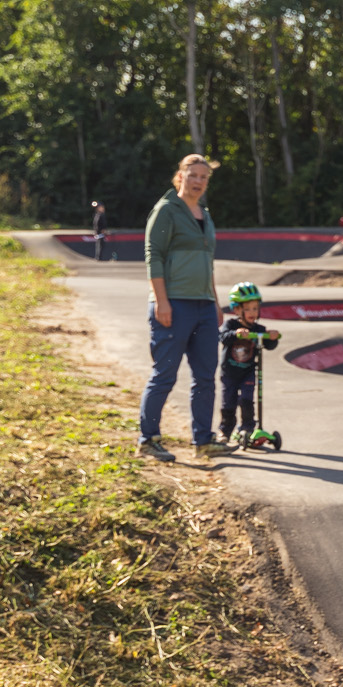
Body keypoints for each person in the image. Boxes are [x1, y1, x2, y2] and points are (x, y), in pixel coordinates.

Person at [139, 154, 227, 461]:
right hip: (173, 304)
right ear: (180, 177)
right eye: (193, 176)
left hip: (204, 306)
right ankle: (148, 439)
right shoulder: (166, 210)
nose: (198, 181)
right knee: (164, 374)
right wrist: (161, 301)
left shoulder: (205, 214)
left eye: (204, 177)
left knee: (205, 376)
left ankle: (203, 440)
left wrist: (215, 302)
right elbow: (154, 255)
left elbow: (207, 262)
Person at [217, 282, 280, 449]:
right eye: (248, 309)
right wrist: (236, 334)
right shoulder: (231, 325)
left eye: (255, 308)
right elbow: (223, 337)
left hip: (248, 372)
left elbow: (269, 345)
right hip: (230, 372)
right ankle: (225, 431)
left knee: (247, 400)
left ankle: (248, 428)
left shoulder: (259, 329)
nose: (252, 312)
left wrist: (272, 337)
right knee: (228, 403)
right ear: (237, 310)